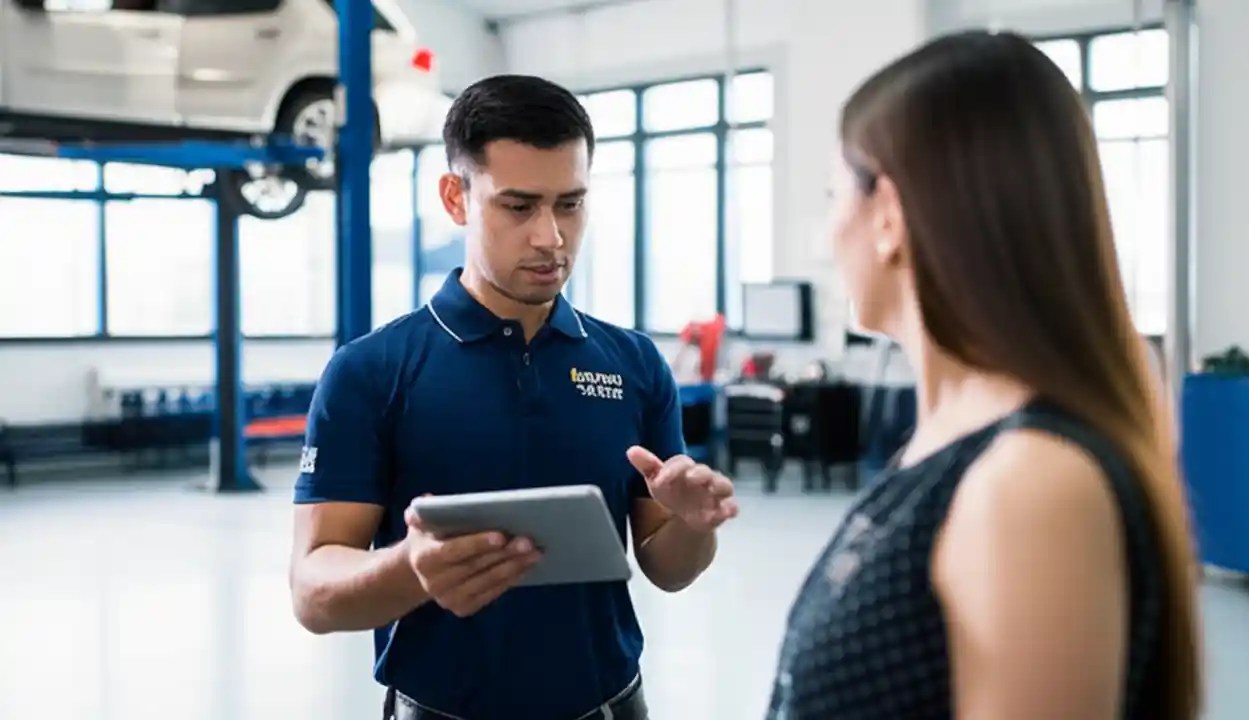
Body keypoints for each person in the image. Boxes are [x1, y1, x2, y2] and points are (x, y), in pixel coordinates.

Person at [766, 31, 1202, 720]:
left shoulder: (1030, 482)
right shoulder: (948, 443)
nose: (826, 237)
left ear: (888, 215)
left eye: (831, 195)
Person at [288, 74, 739, 720]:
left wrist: (694, 526)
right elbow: (312, 590)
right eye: (519, 206)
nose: (550, 238)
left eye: (570, 204)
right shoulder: (370, 372)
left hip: (610, 708)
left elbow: (668, 566)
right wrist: (411, 570)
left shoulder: (634, 365)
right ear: (455, 197)